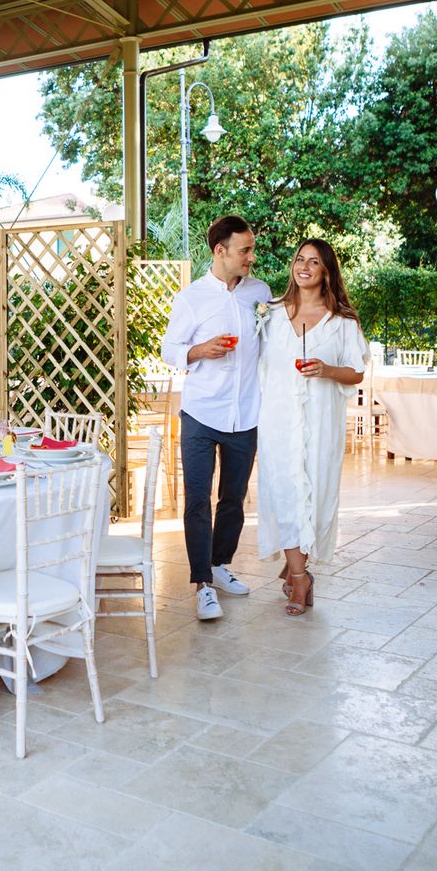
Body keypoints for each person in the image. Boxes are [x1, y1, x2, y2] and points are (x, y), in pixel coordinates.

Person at [160, 216, 272, 621]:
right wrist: (197, 351)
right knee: (196, 501)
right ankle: (202, 583)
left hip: (246, 412)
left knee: (233, 500)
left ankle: (221, 565)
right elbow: (168, 348)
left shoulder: (260, 293)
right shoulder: (191, 298)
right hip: (201, 413)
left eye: (252, 248)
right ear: (219, 251)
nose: (251, 257)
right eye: (244, 250)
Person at [256, 238, 368, 616]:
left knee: (314, 493)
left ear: (326, 271)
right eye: (300, 259)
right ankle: (301, 579)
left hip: (321, 421)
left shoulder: (342, 322)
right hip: (277, 421)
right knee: (284, 493)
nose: (304, 267)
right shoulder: (270, 314)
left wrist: (326, 370)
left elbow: (356, 373)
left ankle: (297, 561)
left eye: (314, 262)